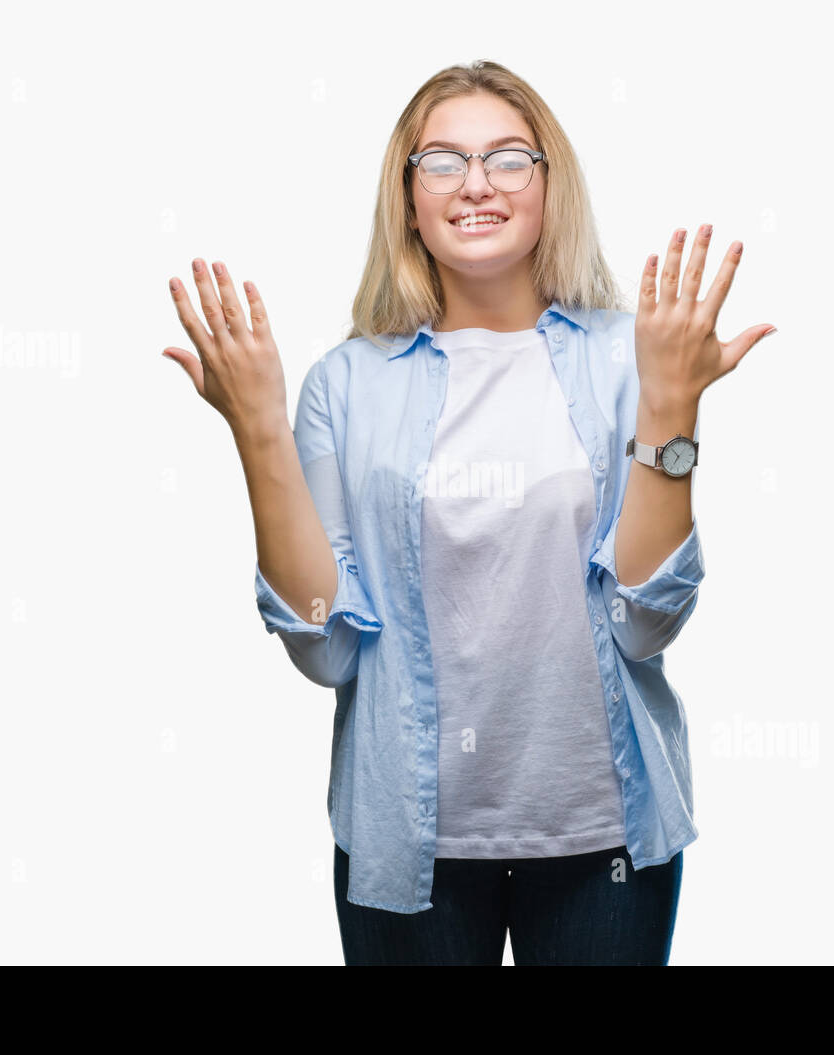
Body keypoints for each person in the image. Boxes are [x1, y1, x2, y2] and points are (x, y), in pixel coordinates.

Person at [162, 60, 776, 966]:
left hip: (604, 836)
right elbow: (326, 650)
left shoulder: (632, 356)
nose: (477, 183)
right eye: (443, 161)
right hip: (406, 839)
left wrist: (672, 406)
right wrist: (258, 428)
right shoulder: (346, 383)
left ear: (550, 187)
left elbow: (646, 624)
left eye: (508, 157)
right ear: (408, 200)